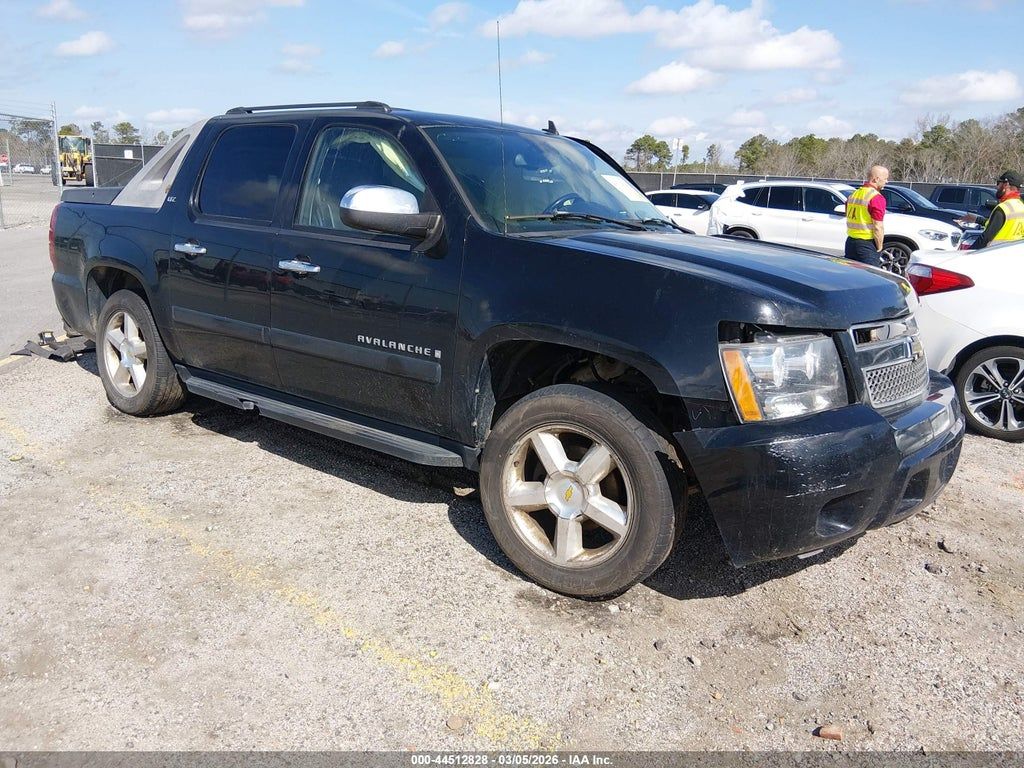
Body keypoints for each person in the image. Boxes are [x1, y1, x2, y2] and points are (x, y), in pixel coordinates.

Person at [844, 165, 889, 268]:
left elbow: (848, 214)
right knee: (871, 275)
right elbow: (878, 226)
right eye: (885, 178)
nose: (887, 181)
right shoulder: (876, 197)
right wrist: (879, 246)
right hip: (867, 244)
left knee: (850, 274)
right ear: (876, 179)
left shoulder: (854, 194)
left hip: (850, 242)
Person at [969, 170, 1024, 249]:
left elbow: (986, 238)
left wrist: (968, 252)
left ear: (1006, 185)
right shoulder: (1021, 206)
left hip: (996, 253)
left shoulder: (1003, 208)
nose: (997, 187)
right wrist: (978, 220)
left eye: (998, 183)